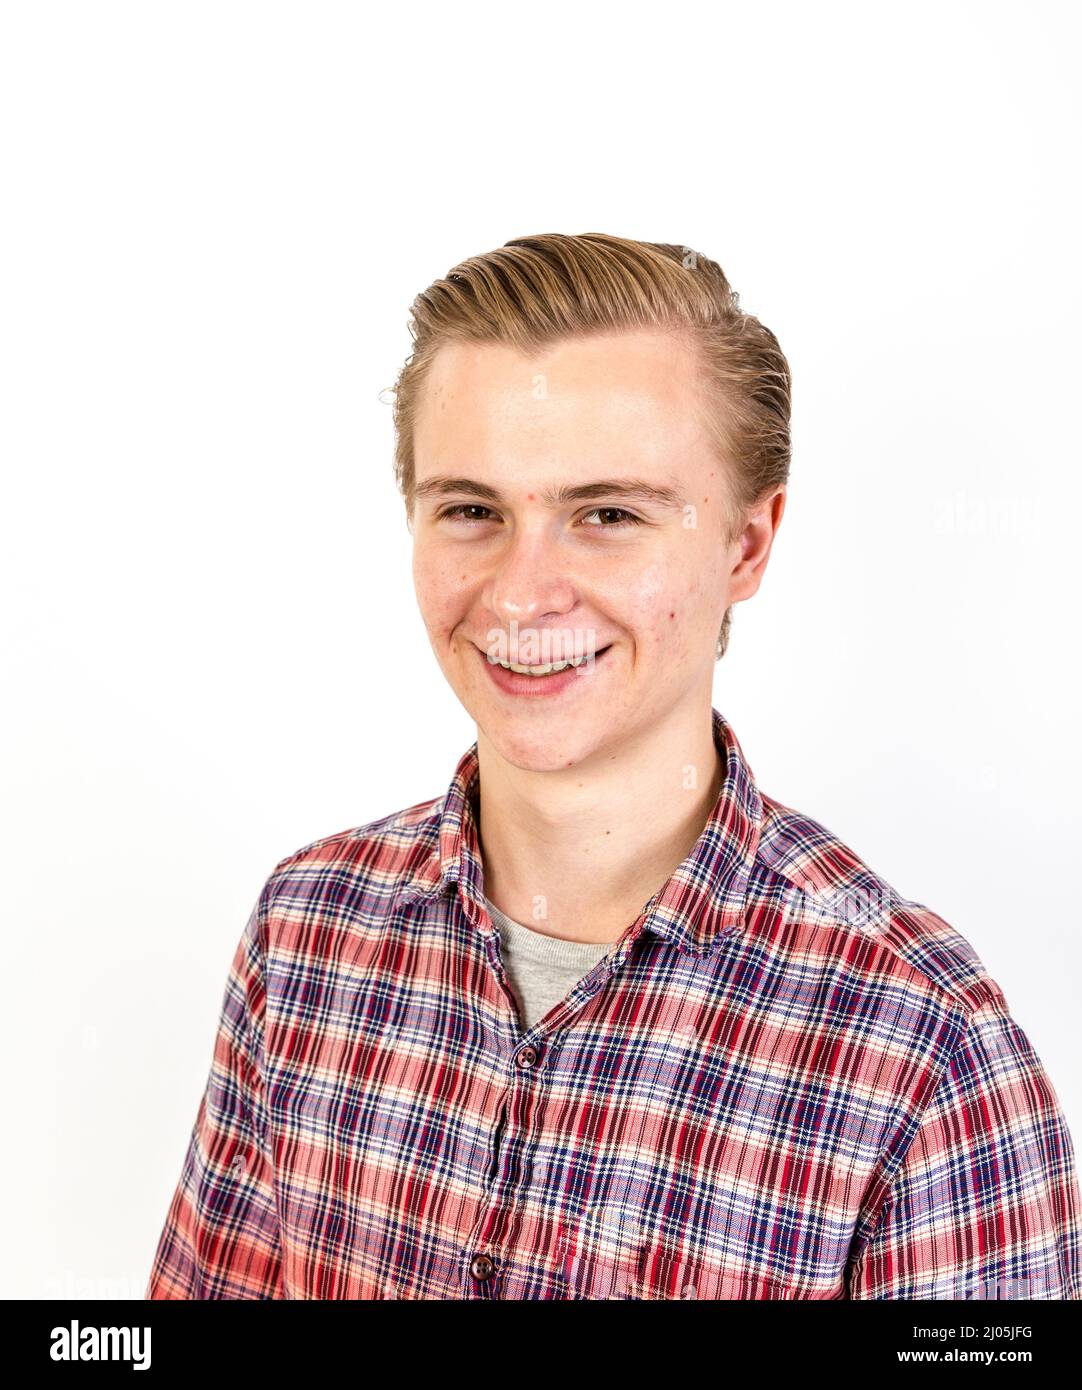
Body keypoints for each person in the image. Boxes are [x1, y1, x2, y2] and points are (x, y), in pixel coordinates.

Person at [147, 233, 1080, 1300]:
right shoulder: (305, 933)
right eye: (471, 510)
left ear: (745, 545)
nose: (518, 592)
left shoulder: (924, 1053)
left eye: (606, 514)